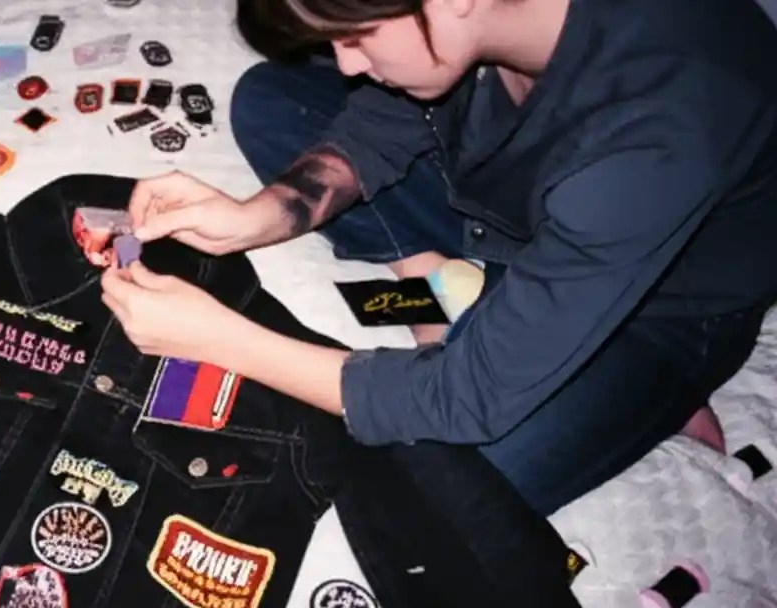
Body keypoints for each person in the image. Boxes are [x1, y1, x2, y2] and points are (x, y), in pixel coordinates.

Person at [99, 0, 777, 515]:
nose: (347, 63)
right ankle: (436, 274)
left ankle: (647, 395)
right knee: (272, 99)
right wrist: (260, 216)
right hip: (511, 204)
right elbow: (390, 117)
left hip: (662, 306)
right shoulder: (493, 24)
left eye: (355, 35)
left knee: (450, 478)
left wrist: (222, 340)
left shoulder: (667, 122)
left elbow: (464, 399)